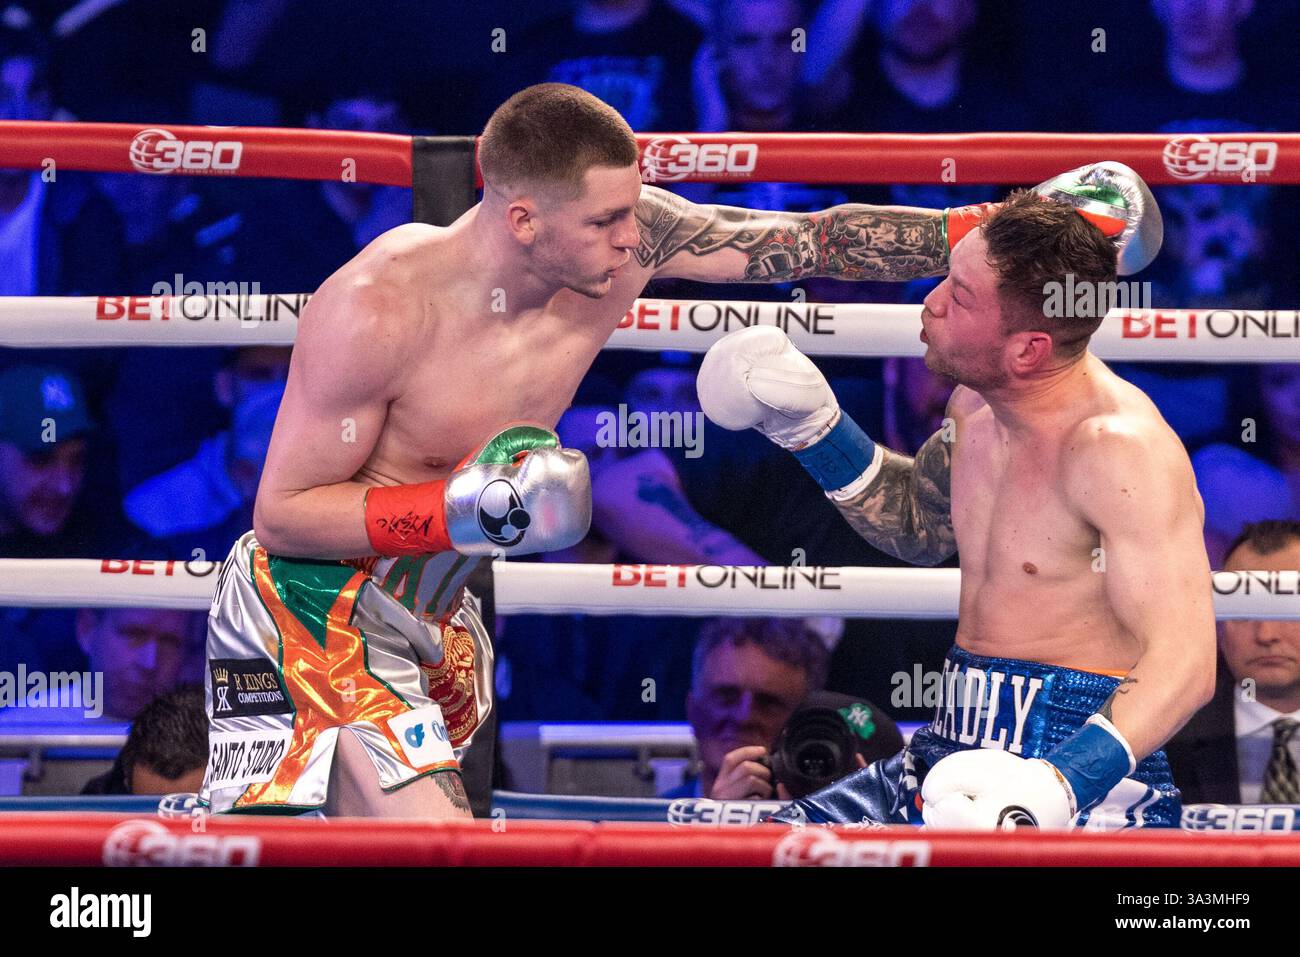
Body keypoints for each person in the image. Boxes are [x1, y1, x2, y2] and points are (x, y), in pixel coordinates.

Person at [200, 81, 1012, 820]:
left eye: (631, 210)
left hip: (432, 612)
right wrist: (463, 510)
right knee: (432, 845)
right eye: (605, 222)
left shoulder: (630, 244)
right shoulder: (377, 310)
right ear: (522, 219)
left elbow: (811, 244)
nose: (636, 240)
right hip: (316, 606)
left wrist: (1004, 231)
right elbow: (283, 514)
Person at [699, 165, 1216, 829]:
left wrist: (1059, 782)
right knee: (757, 843)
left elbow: (1188, 662)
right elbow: (919, 526)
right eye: (946, 275)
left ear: (1028, 350)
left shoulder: (1119, 448)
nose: (931, 301)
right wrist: (811, 429)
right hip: (948, 746)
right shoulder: (975, 402)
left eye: (960, 296)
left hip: (1083, 769)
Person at [672, 617, 900, 800]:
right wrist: (716, 826)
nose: (744, 717)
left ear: (807, 717)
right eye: (725, 697)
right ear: (692, 709)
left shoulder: (842, 820)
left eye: (768, 703)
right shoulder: (647, 822)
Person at [1166, 521, 1300, 805]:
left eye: (1287, 611)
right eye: (1242, 610)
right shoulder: (1165, 734)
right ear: (1216, 625)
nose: (1266, 635)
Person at [82, 685, 209, 796]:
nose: (167, 824)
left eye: (196, 812)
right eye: (149, 808)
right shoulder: (92, 809)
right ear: (127, 783)